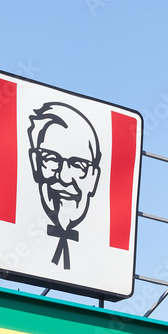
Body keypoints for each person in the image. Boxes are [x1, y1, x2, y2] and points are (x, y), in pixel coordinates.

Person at [26, 102, 102, 269]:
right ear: (35, 164)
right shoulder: (16, 243)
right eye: (52, 159)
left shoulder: (104, 263)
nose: (65, 178)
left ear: (94, 177)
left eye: (78, 165)